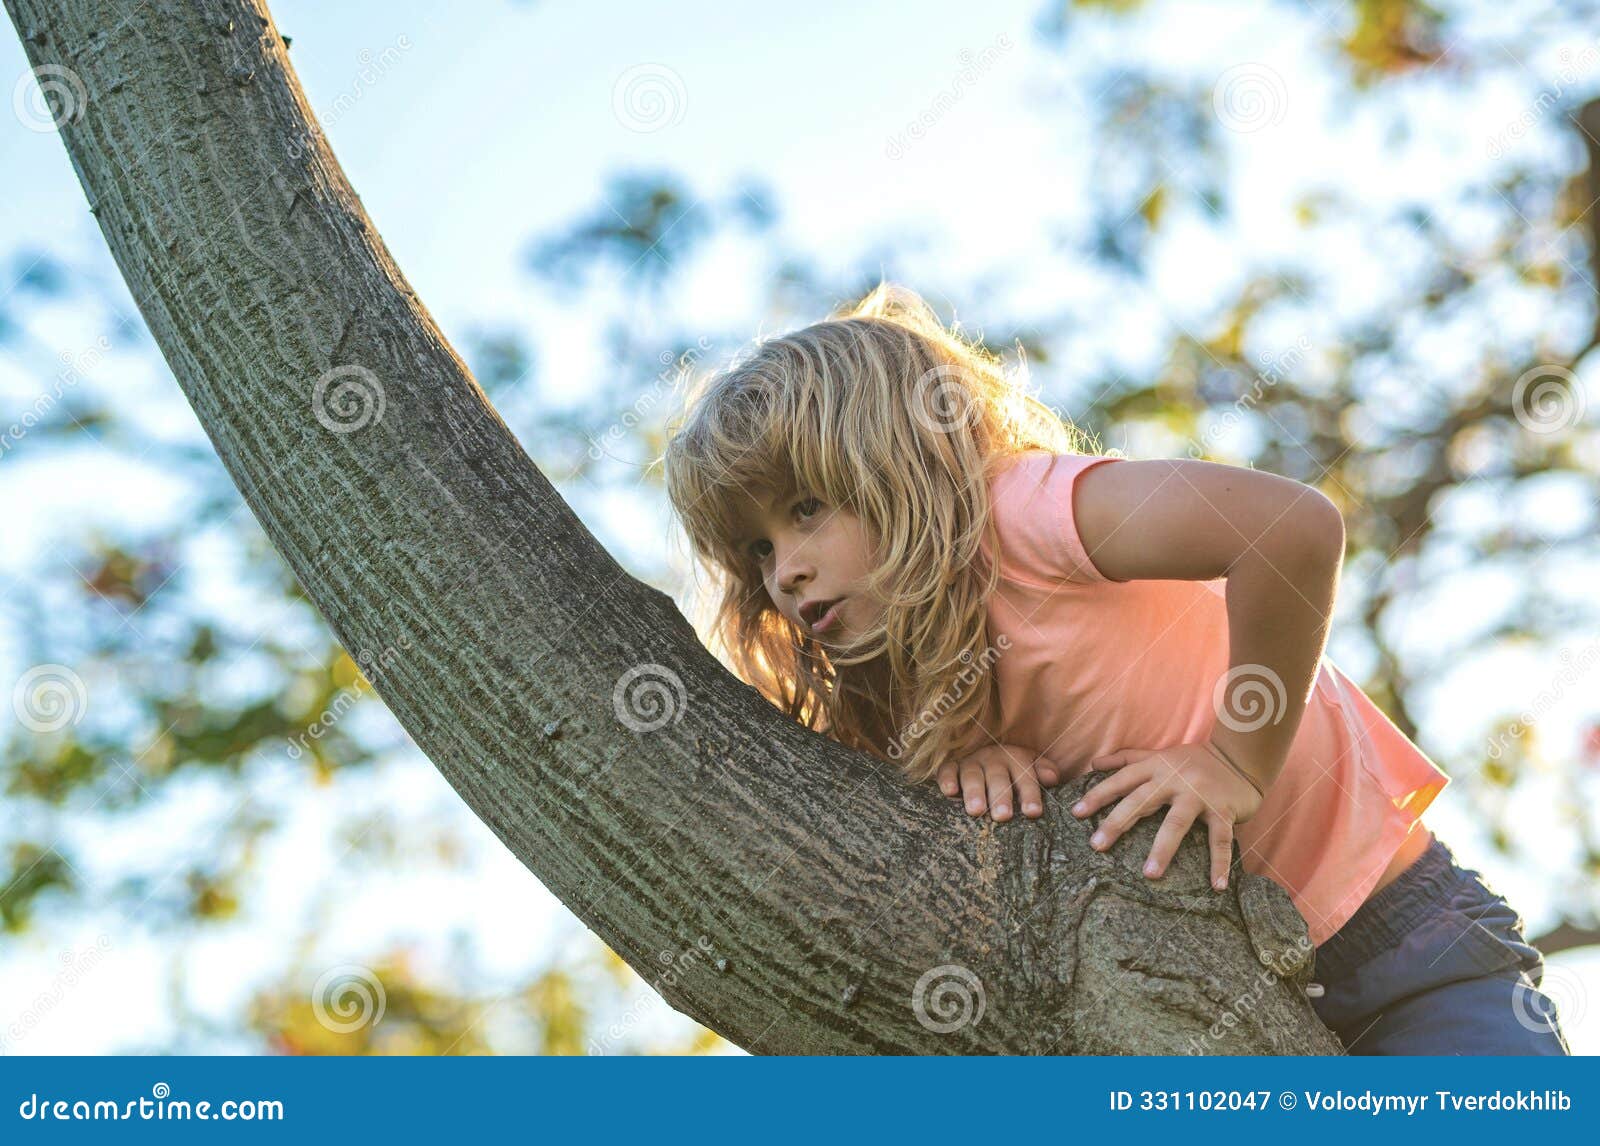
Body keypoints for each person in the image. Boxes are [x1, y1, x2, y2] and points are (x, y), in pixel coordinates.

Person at [659, 280, 1570, 1055]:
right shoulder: (894, 679)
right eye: (758, 549)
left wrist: (1233, 760)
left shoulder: (1027, 513)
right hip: (1184, 1001)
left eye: (808, 508)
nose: (786, 571)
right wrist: (949, 768)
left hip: (1399, 934)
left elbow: (1289, 529)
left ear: (893, 466)